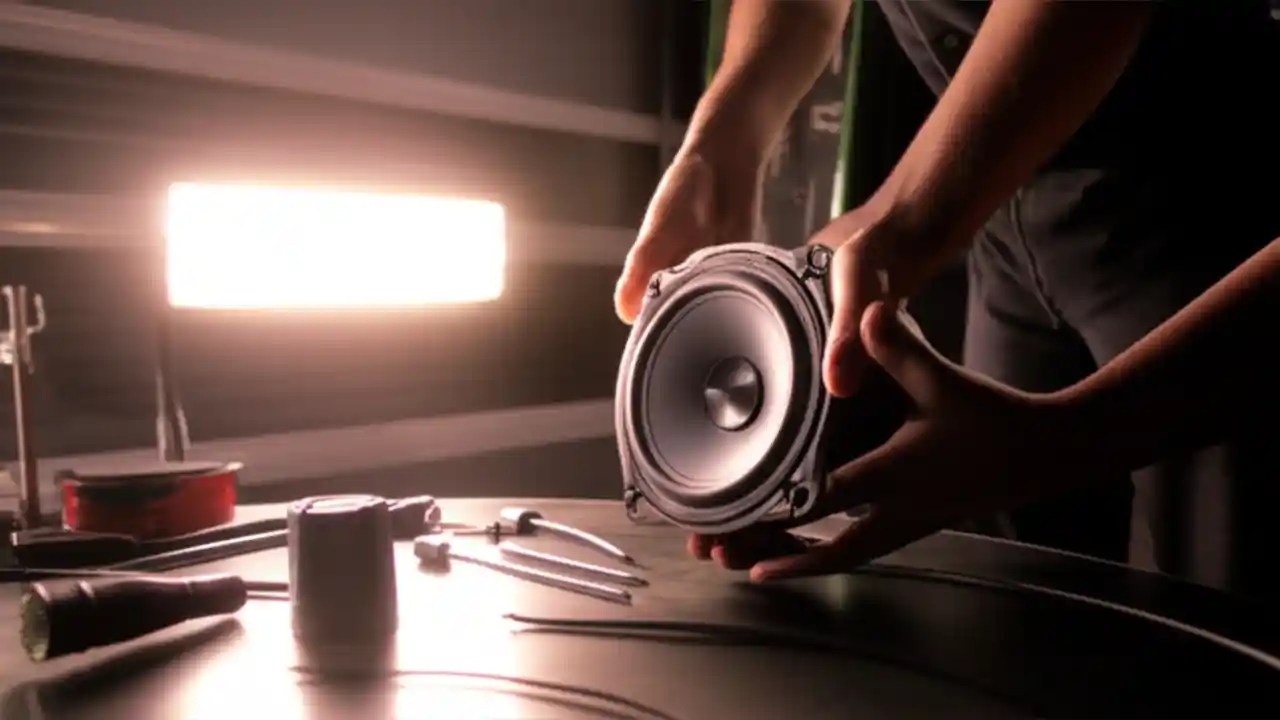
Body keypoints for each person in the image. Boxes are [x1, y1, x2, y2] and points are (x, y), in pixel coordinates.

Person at [614, 0, 1280, 596]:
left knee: (1222, 612)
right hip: (1007, 220)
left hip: (1203, 195)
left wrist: (901, 225)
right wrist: (722, 143)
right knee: (1011, 590)